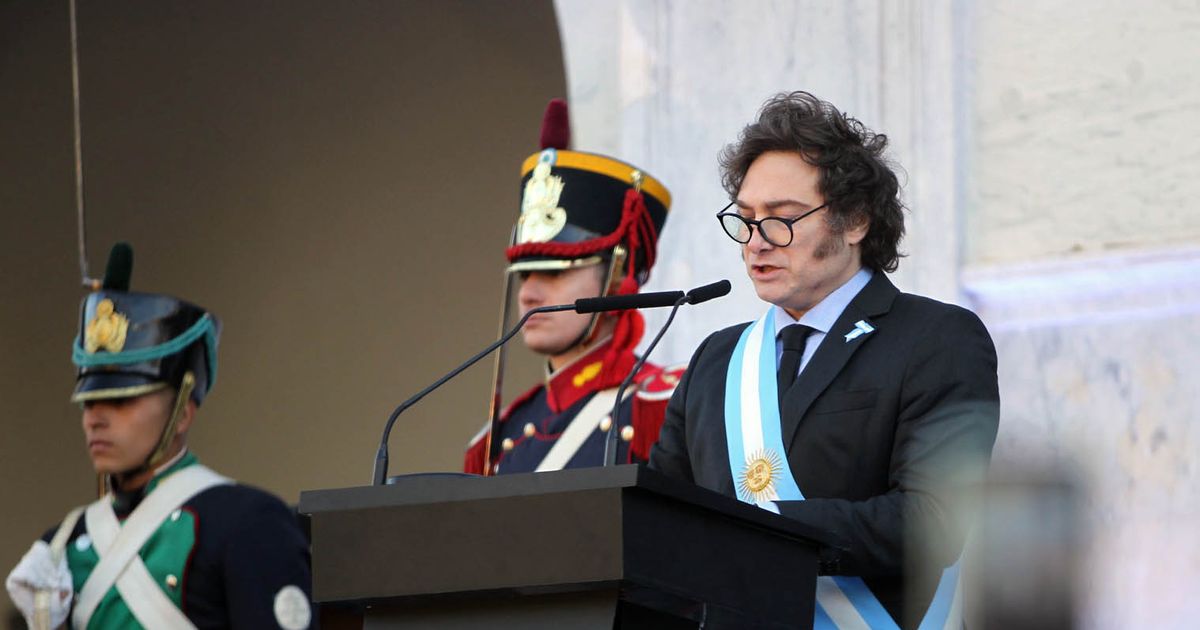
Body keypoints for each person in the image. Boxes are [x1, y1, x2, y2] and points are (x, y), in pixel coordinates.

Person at [649, 92, 1000, 629]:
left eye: (782, 219)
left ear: (855, 220)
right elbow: (660, 520)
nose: (756, 243)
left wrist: (762, 525)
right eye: (745, 219)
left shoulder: (936, 338)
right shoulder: (717, 359)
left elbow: (934, 519)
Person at [5, 244, 312, 630]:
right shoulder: (64, 544)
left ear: (182, 412)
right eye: (89, 402)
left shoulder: (247, 523)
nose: (95, 419)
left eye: (121, 401)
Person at [464, 99, 681, 475]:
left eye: (554, 274)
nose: (528, 294)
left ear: (617, 279)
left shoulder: (660, 405)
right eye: (524, 275)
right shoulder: (498, 437)